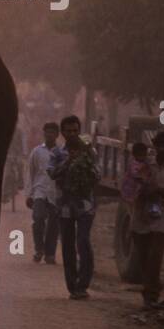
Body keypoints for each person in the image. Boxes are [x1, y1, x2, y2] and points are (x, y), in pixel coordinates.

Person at [49, 115, 99, 300]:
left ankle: (83, 284)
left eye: (75, 130)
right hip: (64, 206)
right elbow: (52, 173)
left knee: (83, 242)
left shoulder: (89, 151)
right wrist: (68, 162)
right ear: (62, 133)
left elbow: (97, 174)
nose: (72, 134)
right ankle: (72, 286)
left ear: (79, 131)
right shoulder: (57, 153)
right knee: (68, 246)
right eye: (68, 131)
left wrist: (85, 170)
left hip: (85, 204)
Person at [132, 132, 164, 310]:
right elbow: (131, 186)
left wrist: (160, 192)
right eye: (158, 145)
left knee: (155, 256)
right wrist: (142, 191)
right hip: (141, 216)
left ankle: (151, 294)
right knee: (143, 256)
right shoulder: (144, 164)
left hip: (162, 217)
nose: (162, 149)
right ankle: (153, 286)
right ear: (154, 146)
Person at [26, 121, 62, 264]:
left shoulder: (61, 153)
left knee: (54, 224)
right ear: (44, 133)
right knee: (38, 218)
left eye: (53, 132)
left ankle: (50, 253)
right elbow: (30, 173)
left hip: (55, 193)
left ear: (57, 135)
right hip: (39, 191)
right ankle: (38, 248)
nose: (50, 135)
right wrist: (29, 194)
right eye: (48, 132)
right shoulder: (37, 152)